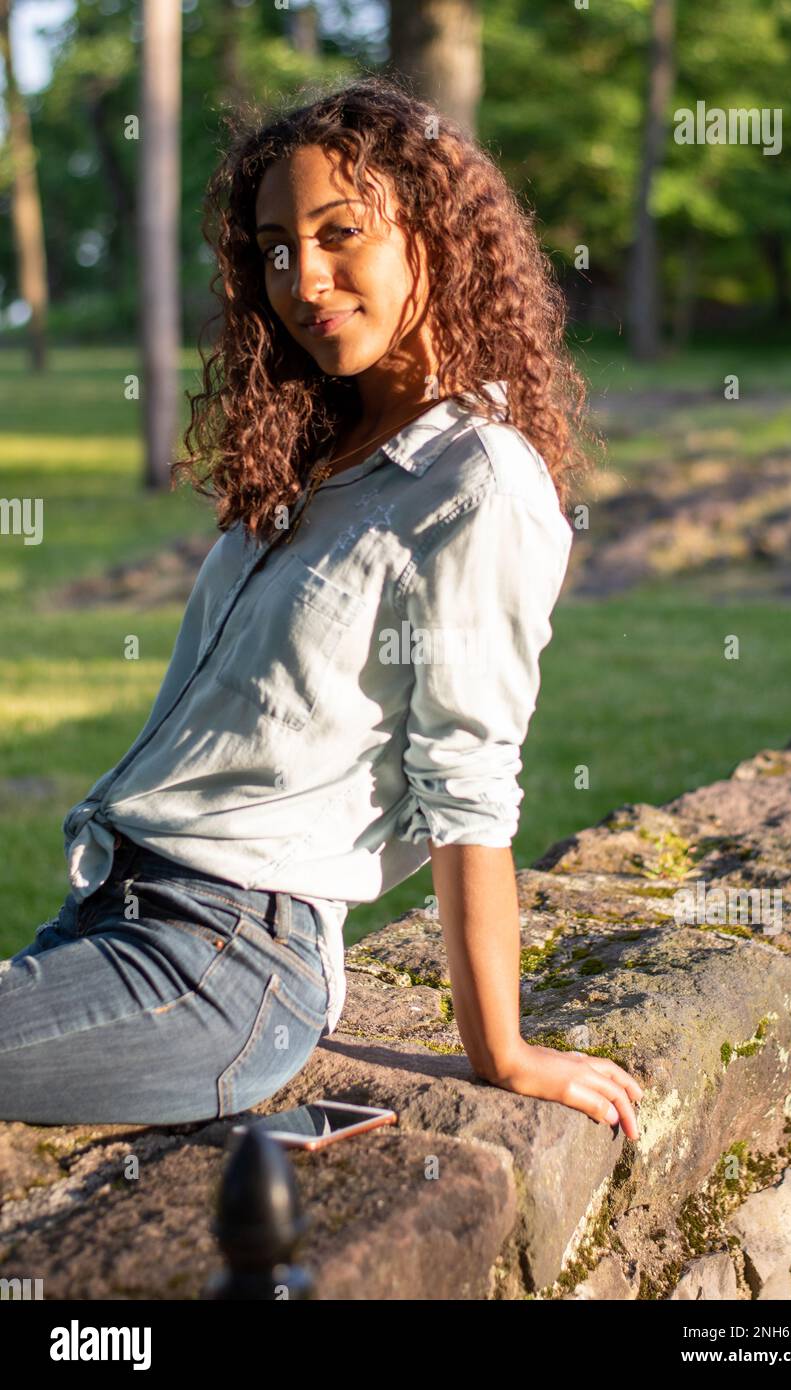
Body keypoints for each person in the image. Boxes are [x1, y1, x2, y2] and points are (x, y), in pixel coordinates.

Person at [0, 77, 642, 1137]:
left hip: (228, 968)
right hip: (121, 911)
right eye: (274, 249)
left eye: (341, 232)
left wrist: (503, 1052)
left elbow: (468, 781)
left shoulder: (474, 481)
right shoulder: (317, 457)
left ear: (433, 235)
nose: (304, 278)